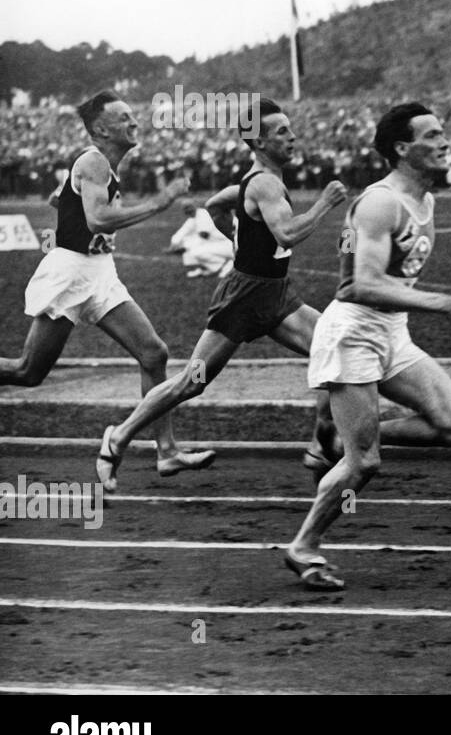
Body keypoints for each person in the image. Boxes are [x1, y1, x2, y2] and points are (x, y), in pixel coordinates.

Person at [285, 102, 451, 590]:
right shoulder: (380, 203)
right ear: (403, 148)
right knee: (365, 464)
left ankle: (341, 436)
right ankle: (304, 546)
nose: (445, 142)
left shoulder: (427, 201)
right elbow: (359, 285)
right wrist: (445, 304)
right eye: (433, 135)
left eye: (444, 133)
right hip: (353, 332)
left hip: (391, 332)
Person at [98, 98, 348, 491]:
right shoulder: (264, 183)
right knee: (192, 381)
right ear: (261, 143)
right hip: (243, 300)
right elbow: (288, 233)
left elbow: (215, 205)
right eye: (282, 131)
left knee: (335, 349)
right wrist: (324, 204)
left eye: (290, 128)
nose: (293, 136)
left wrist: (236, 237)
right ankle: (119, 437)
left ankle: (321, 444)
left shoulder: (259, 179)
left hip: (277, 295)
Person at [1, 91, 211, 476]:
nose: (135, 122)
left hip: (99, 271)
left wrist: (63, 200)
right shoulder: (94, 161)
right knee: (27, 372)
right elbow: (98, 220)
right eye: (125, 117)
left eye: (133, 115)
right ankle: (161, 448)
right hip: (71, 272)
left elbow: (73, 203)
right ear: (101, 128)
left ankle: (166, 451)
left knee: (154, 354)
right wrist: (159, 202)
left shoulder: (102, 165)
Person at [167, 200, 234, 278]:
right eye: (185, 209)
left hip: (226, 244)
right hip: (217, 244)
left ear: (196, 205)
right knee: (188, 253)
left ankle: (225, 264)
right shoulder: (193, 218)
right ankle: (215, 267)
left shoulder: (203, 215)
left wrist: (185, 246)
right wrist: (174, 245)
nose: (188, 210)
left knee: (194, 251)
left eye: (189, 207)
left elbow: (204, 235)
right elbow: (182, 231)